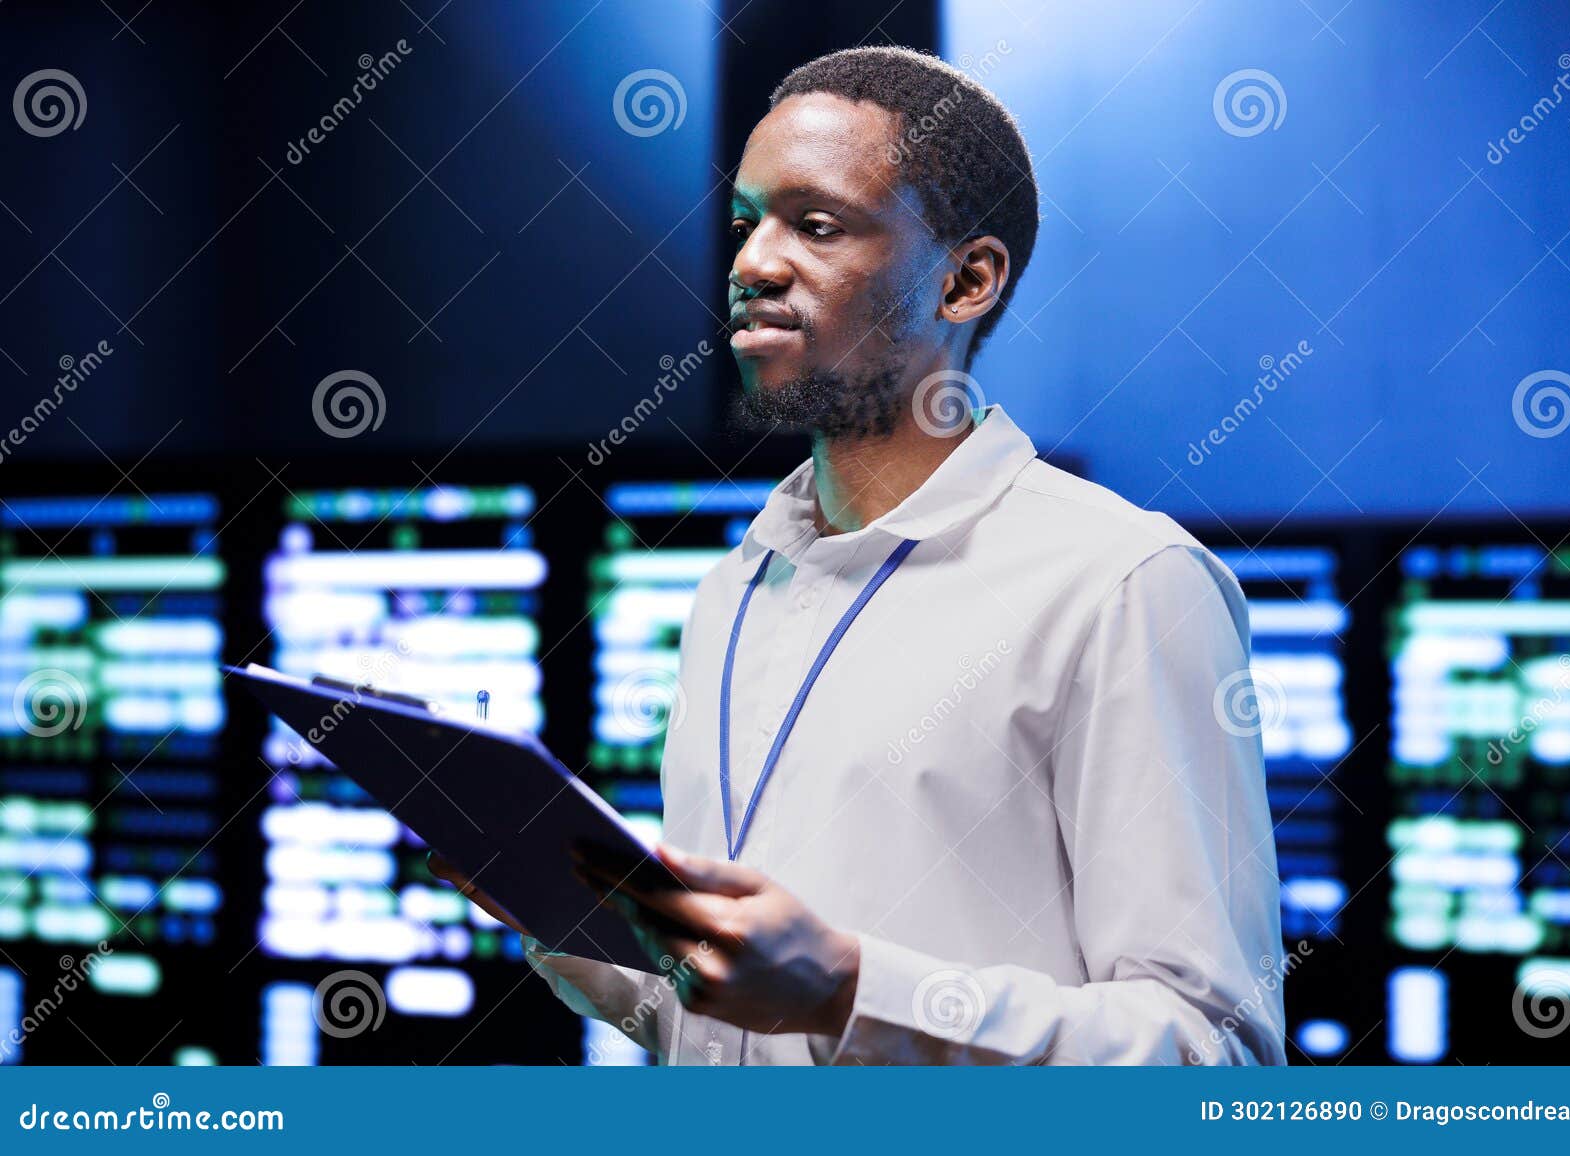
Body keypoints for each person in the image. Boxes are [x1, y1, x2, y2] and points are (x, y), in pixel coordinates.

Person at [432, 45, 1285, 1066]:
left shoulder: (1122, 584)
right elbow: (715, 1028)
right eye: (748, 223)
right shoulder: (735, 589)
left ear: (964, 281)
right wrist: (561, 920)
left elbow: (1210, 1055)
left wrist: (850, 990)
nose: (750, 263)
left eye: (817, 224)